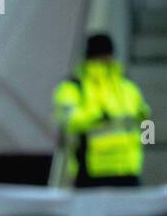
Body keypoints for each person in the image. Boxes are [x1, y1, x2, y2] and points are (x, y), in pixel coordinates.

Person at [53, 33, 151, 188]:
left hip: (128, 171)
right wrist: (99, 117)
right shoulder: (74, 87)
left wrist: (146, 143)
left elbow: (145, 117)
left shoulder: (127, 86)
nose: (106, 58)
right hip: (91, 172)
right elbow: (68, 121)